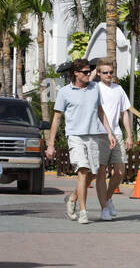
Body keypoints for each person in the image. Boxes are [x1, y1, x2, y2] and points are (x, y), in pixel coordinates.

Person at [45, 58, 117, 225]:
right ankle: (83, 211)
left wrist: (110, 133)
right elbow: (56, 118)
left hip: (93, 136)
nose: (89, 74)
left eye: (89, 71)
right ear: (76, 74)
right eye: (85, 72)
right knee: (83, 171)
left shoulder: (95, 89)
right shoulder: (64, 92)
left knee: (93, 173)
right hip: (75, 136)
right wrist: (51, 144)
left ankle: (72, 199)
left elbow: (100, 111)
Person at [90, 57, 133, 220]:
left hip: (117, 134)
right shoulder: (94, 87)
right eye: (105, 72)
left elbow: (124, 113)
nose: (109, 75)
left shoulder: (118, 89)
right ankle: (104, 209)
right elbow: (85, 80)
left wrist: (129, 135)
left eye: (111, 72)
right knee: (100, 172)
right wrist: (95, 72)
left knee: (120, 172)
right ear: (99, 73)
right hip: (99, 134)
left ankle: (107, 199)